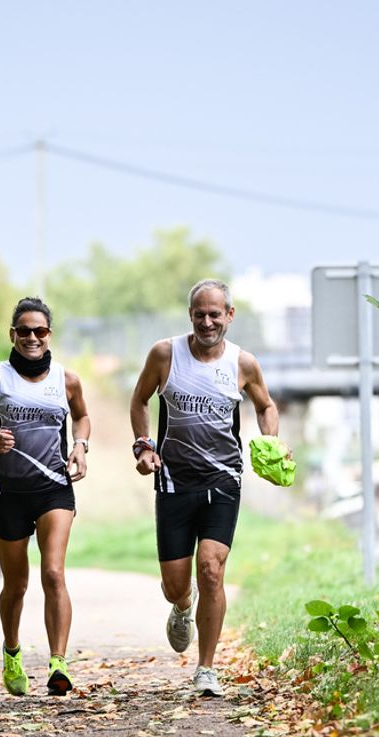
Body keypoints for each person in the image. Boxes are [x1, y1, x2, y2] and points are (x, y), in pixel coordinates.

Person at [129, 278, 282, 698]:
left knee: (212, 568)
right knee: (175, 585)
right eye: (200, 314)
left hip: (223, 478)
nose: (208, 322)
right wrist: (144, 446)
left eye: (216, 314)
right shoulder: (165, 354)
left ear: (230, 316)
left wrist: (269, 443)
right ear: (190, 315)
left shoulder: (242, 363)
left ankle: (207, 669)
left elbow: (266, 405)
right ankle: (182, 606)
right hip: (174, 480)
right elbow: (140, 400)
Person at [0, 297, 91, 697]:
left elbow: (82, 417)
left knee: (53, 573)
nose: (32, 338)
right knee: (15, 584)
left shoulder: (66, 380)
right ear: (12, 334)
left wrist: (81, 446)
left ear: (49, 334)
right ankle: (13, 651)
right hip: (8, 493)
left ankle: (58, 664)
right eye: (24, 331)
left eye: (40, 331)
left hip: (53, 487)